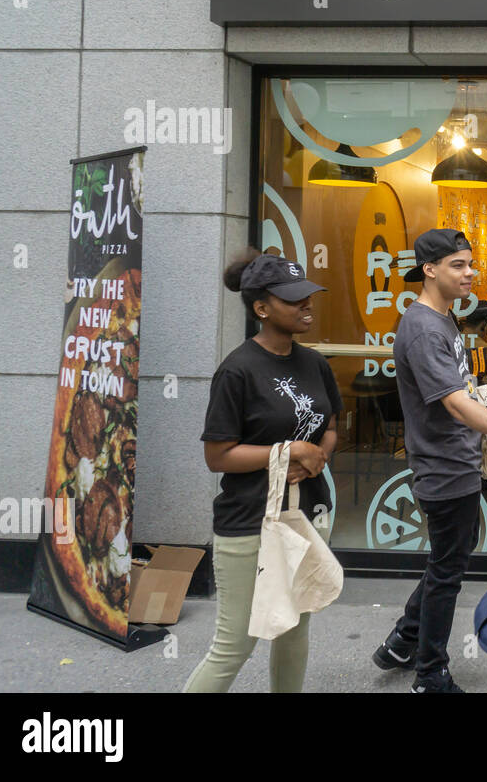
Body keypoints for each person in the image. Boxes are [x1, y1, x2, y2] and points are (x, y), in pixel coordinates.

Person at [373, 229, 487, 692]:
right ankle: (430, 673)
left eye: (470, 264)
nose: (470, 272)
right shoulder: (424, 328)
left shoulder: (444, 319)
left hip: (459, 458)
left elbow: (464, 394)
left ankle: (402, 641)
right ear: (429, 270)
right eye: (458, 264)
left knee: (451, 554)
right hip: (443, 464)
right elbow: (454, 402)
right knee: (448, 570)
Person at [185, 250, 340, 693]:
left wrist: (316, 458)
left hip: (305, 516)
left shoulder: (315, 364)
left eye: (308, 296)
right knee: (235, 644)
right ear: (261, 308)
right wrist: (288, 450)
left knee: (294, 633)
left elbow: (330, 427)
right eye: (294, 299)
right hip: (248, 521)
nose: (307, 305)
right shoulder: (237, 371)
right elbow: (218, 456)